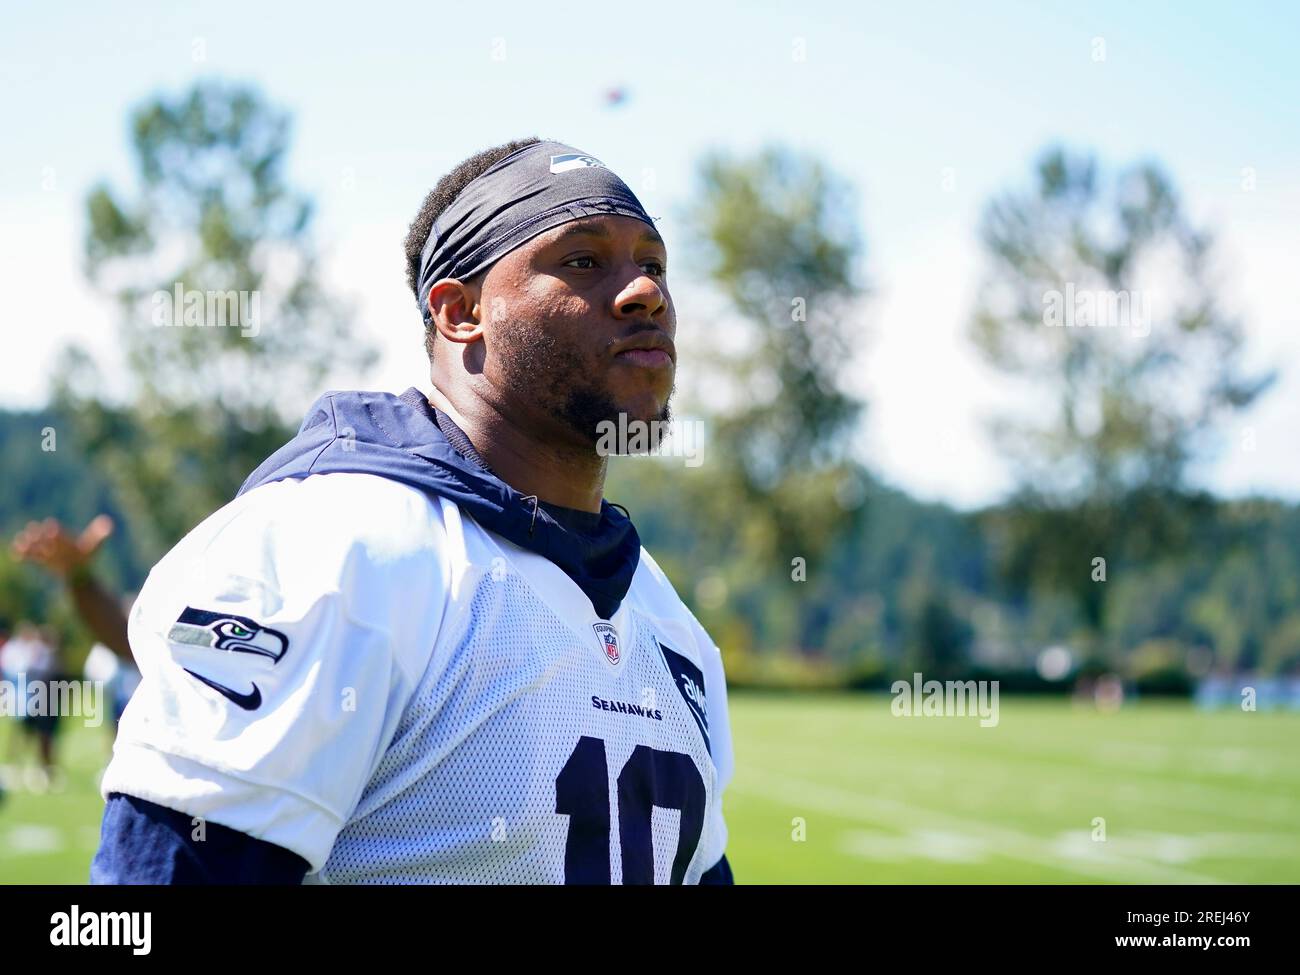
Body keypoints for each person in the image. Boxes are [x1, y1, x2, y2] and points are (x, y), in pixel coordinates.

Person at [91, 138, 735, 884]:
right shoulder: (336, 548)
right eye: (584, 261)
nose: (644, 292)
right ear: (461, 313)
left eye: (653, 264)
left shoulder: (665, 617)